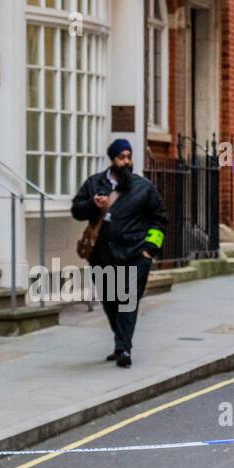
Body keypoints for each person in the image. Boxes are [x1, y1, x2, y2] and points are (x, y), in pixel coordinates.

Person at [71, 139, 167, 368]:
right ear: (112, 159)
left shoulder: (143, 188)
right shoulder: (94, 184)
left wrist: (149, 251)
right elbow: (76, 210)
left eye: (129, 157)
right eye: (122, 157)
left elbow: (160, 220)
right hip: (102, 257)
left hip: (134, 256)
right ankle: (120, 341)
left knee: (127, 301)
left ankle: (124, 348)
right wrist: (94, 205)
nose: (127, 162)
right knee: (110, 302)